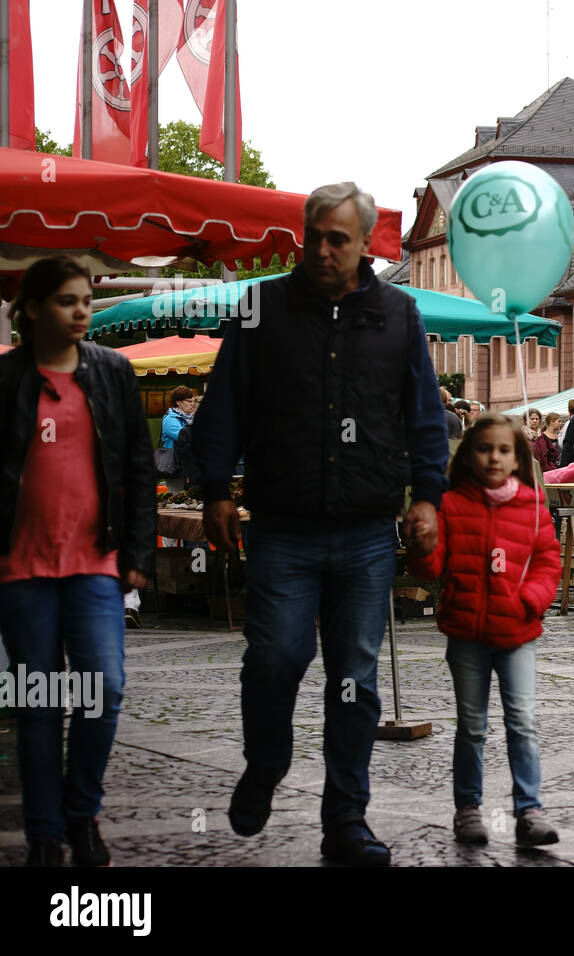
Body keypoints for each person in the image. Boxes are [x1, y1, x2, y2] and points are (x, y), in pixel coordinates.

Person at [192, 181, 450, 867]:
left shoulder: (398, 315)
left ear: (366, 244)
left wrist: (428, 494)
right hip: (283, 526)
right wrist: (216, 488)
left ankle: (346, 820)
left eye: (339, 238)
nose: (324, 250)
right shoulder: (262, 308)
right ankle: (266, 761)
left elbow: (424, 413)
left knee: (355, 680)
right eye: (315, 236)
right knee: (275, 657)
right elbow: (224, 403)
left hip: (367, 532)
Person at [0, 256, 155, 867]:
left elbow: (138, 468)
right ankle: (44, 833)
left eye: (86, 299)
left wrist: (138, 554)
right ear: (34, 308)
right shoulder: (7, 379)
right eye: (67, 300)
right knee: (37, 702)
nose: (82, 310)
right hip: (20, 568)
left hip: (95, 562)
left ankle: (82, 811)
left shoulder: (112, 372)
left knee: (104, 689)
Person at [407, 414, 563, 847]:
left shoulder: (532, 507)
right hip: (467, 634)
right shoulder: (451, 504)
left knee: (522, 722)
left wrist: (529, 600)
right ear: (469, 455)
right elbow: (431, 568)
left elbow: (549, 561)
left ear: (517, 459)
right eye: (484, 448)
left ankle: (529, 810)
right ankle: (468, 809)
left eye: (503, 450)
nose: (493, 457)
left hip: (517, 634)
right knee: (472, 726)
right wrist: (421, 547)